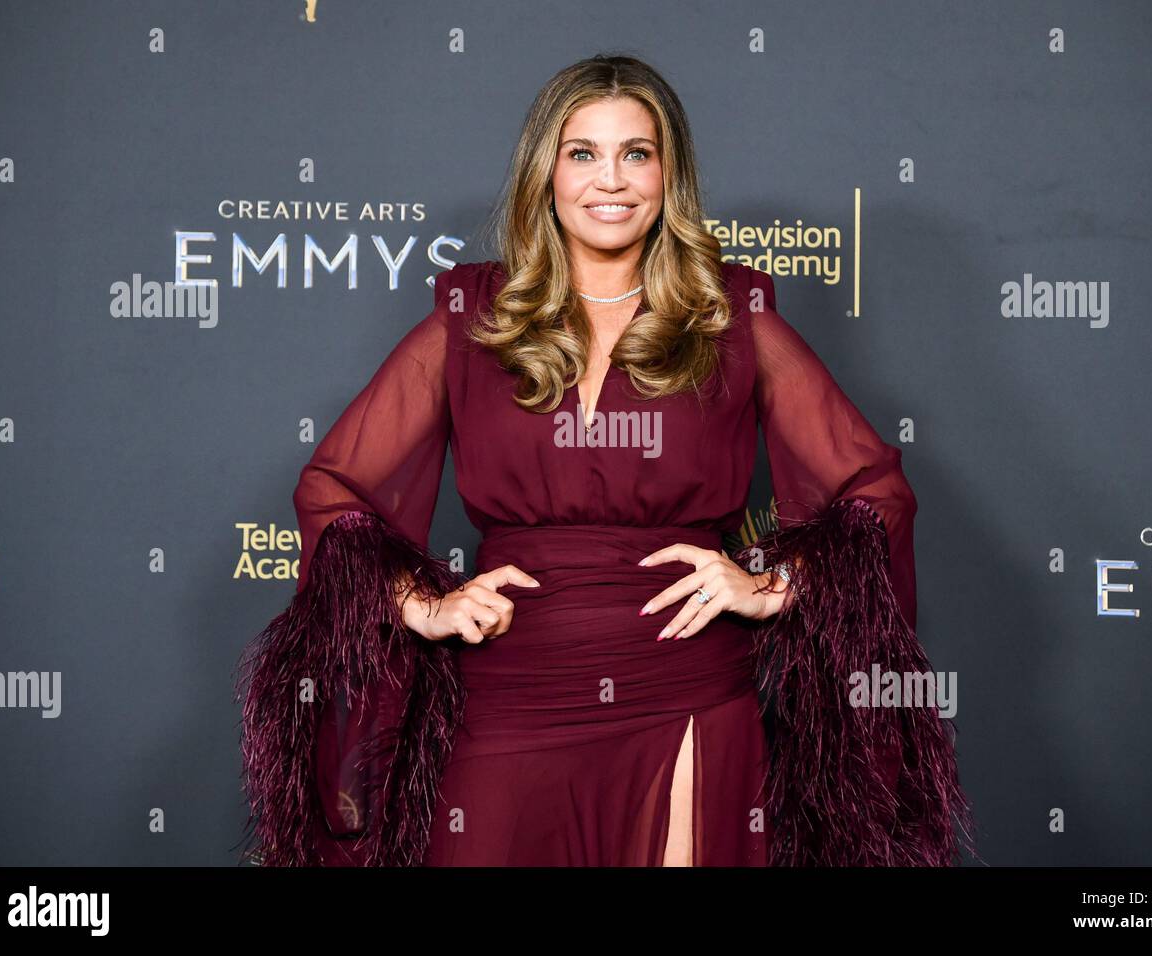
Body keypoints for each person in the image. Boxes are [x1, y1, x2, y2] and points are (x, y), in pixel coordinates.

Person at [235, 53, 974, 867]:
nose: (610, 180)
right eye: (582, 152)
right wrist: (421, 602)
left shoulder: (731, 317)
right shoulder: (472, 319)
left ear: (669, 175)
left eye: (637, 153)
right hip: (509, 697)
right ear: (544, 173)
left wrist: (771, 585)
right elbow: (334, 487)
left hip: (687, 694)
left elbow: (875, 489)